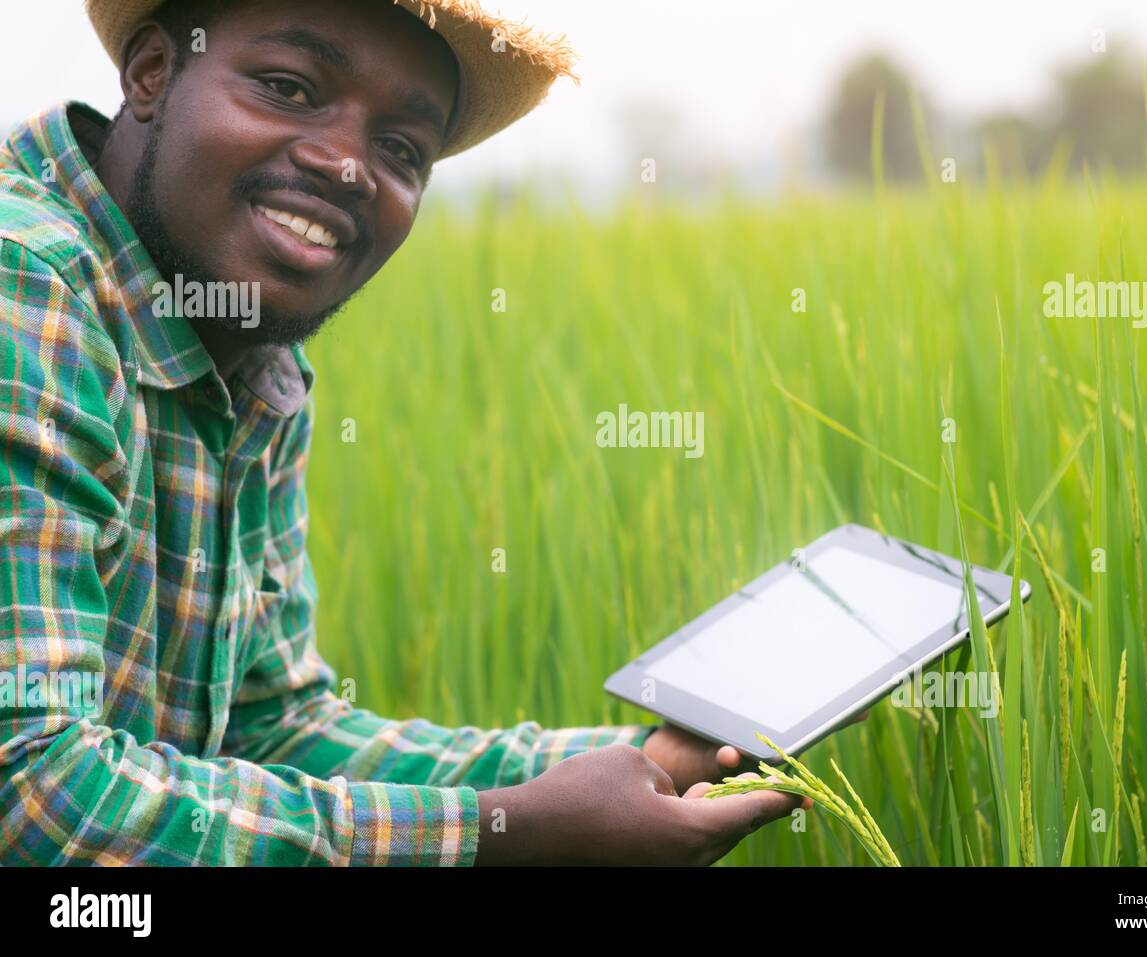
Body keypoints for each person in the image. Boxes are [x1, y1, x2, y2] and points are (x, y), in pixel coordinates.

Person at [0, 0, 805, 866]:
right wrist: (507, 834)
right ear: (153, 73)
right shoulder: (25, 287)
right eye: (288, 86)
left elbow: (271, 726)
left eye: (400, 149)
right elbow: (32, 793)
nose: (347, 165)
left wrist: (640, 763)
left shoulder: (250, 358)